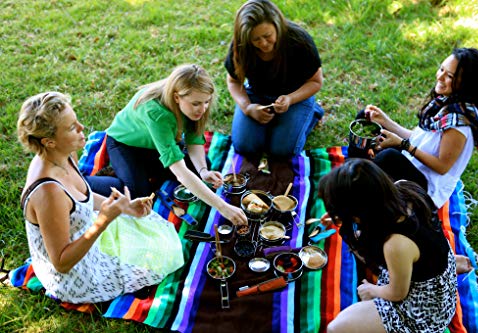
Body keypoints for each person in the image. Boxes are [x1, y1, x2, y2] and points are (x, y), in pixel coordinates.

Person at [17, 92, 185, 303]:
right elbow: (61, 263)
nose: (81, 128)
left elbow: (81, 198)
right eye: (71, 127)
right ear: (49, 141)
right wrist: (102, 222)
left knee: (160, 240)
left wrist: (126, 208)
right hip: (75, 276)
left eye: (76, 120)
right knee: (159, 257)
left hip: (86, 233)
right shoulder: (48, 193)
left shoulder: (64, 152)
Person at [86, 64, 247, 226]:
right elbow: (181, 173)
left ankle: (138, 170)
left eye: (206, 102)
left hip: (156, 143)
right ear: (177, 97)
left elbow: (194, 138)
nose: (203, 109)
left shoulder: (192, 100)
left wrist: (203, 171)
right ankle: (84, 182)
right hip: (125, 145)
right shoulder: (157, 112)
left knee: (200, 170)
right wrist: (222, 207)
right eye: (196, 104)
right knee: (138, 195)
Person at [319, 159, 457, 333]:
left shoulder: (396, 244)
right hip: (433, 267)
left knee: (335, 328)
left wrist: (372, 290)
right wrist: (345, 216)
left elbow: (397, 293)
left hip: (425, 309)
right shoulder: (405, 187)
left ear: (359, 213)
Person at [360, 47, 478, 210]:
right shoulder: (447, 103)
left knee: (388, 157)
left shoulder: (459, 124)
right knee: (369, 120)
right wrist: (385, 121)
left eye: (449, 76)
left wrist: (402, 145)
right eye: (442, 69)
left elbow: (442, 167)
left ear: (465, 84)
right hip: (412, 162)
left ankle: (357, 184)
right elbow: (418, 138)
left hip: (427, 190)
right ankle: (359, 172)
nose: (440, 76)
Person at [224, 0, 324, 158]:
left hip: (295, 96)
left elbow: (316, 81)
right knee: (245, 146)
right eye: (255, 39)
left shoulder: (298, 40)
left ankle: (312, 112)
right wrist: (247, 108)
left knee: (282, 151)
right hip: (257, 94)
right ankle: (280, 123)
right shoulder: (241, 45)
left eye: (267, 36)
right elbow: (233, 81)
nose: (263, 43)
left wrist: (290, 99)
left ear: (277, 25)